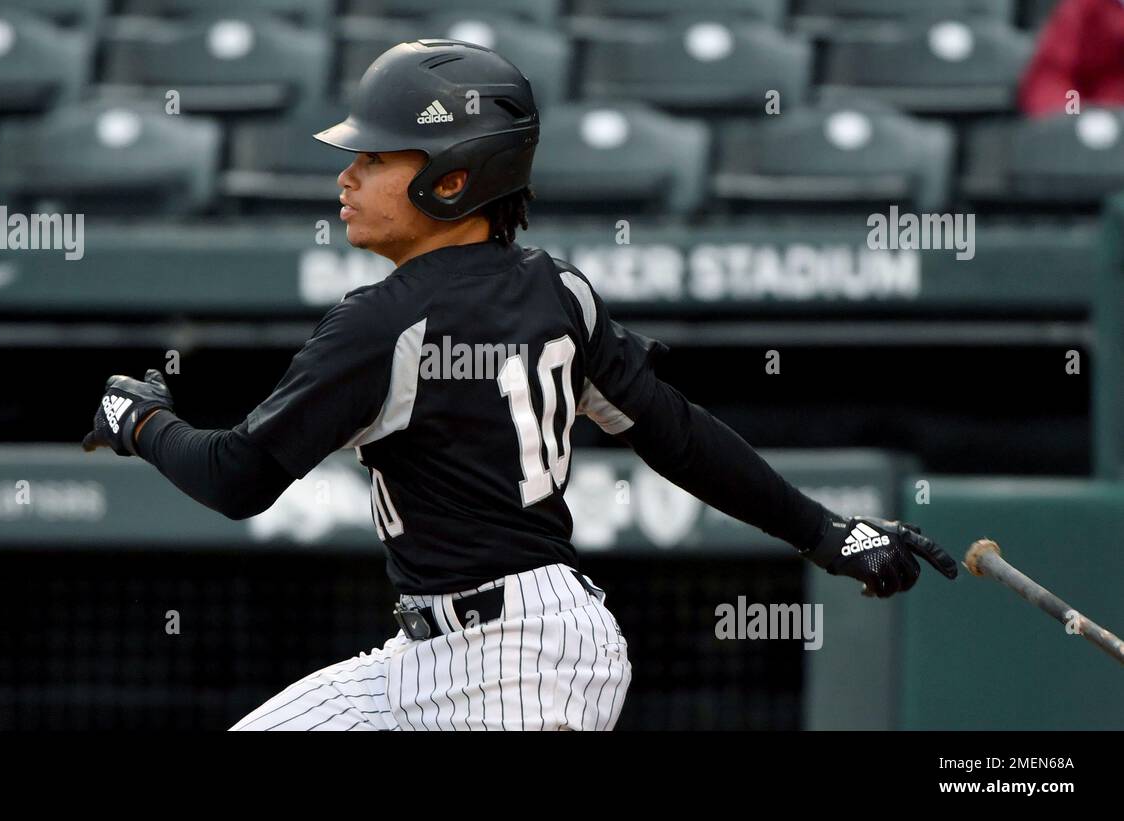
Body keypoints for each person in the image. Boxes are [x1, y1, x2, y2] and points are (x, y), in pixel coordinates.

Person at [81, 40, 958, 731]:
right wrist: (827, 532)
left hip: (517, 666)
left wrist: (139, 418)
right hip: (429, 658)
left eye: (377, 159)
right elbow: (677, 433)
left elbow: (237, 478)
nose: (345, 177)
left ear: (452, 178)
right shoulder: (557, 288)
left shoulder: (382, 320)